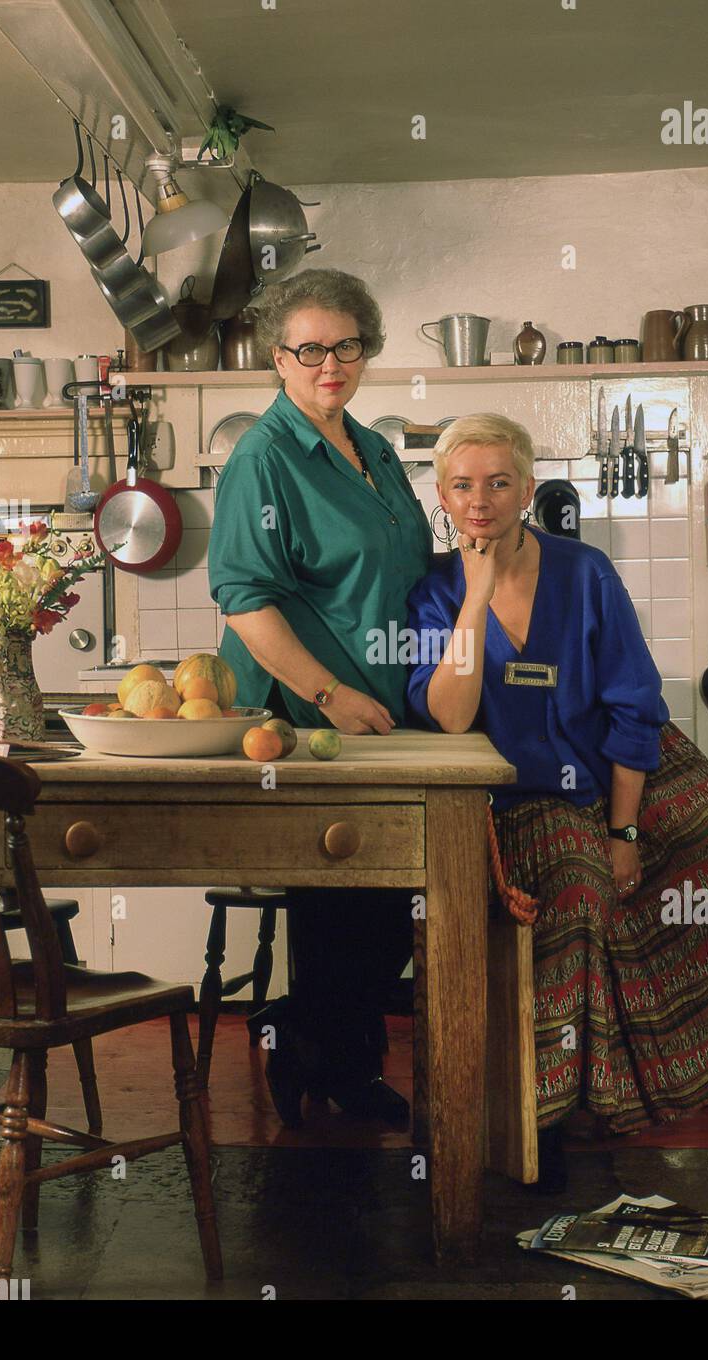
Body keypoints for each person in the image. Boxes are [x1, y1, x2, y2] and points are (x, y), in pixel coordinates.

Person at [404, 413, 708, 1190]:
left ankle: (685, 1061)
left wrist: (625, 828)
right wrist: (475, 600)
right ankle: (558, 1109)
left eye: (498, 483)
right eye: (461, 485)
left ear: (526, 488)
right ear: (442, 496)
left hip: (615, 762)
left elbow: (633, 703)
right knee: (578, 891)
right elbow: (448, 714)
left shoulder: (584, 573)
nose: (479, 501)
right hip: (516, 795)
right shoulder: (433, 593)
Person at [208, 268, 432, 1130]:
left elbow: (404, 567)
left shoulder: (369, 446)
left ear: (366, 350)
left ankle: (322, 1048)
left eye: (346, 346)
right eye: (309, 349)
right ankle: (325, 1052)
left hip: (383, 705)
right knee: (345, 895)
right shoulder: (265, 458)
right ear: (279, 357)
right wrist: (329, 692)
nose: (329, 363)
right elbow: (244, 597)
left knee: (382, 900)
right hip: (306, 717)